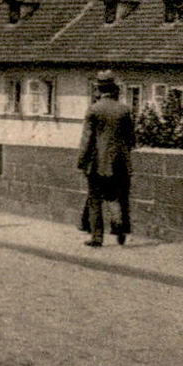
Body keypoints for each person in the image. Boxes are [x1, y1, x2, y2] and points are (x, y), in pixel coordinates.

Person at [78, 70, 135, 247]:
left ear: (99, 89)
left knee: (95, 198)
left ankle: (96, 237)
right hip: (120, 163)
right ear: (114, 89)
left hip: (97, 163)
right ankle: (118, 223)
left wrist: (81, 160)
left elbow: (87, 139)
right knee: (114, 196)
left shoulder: (94, 110)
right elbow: (131, 139)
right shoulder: (124, 110)